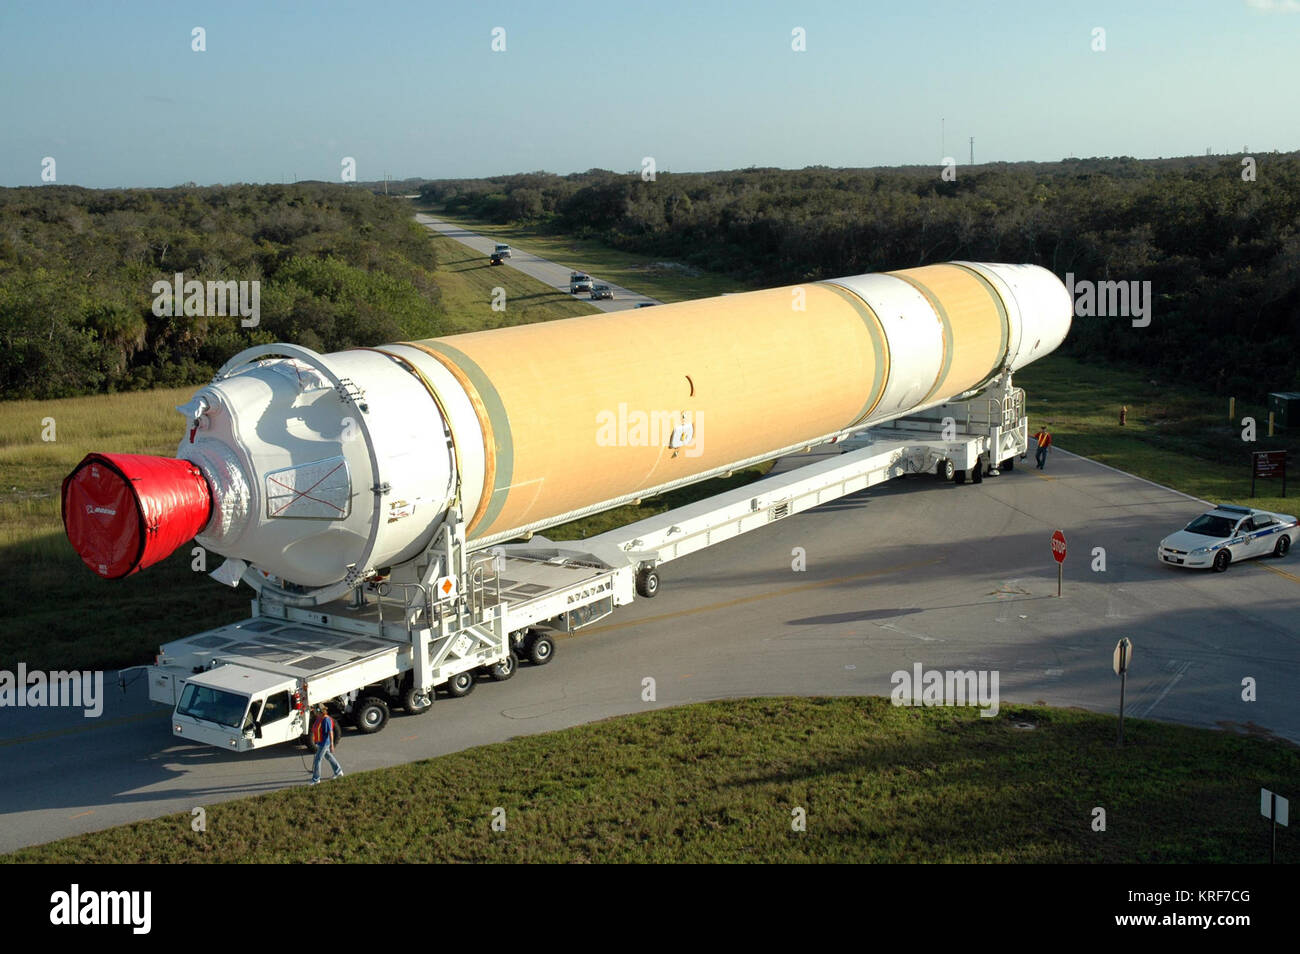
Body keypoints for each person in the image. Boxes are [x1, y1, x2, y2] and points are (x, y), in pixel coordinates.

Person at [309, 704, 344, 784]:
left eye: (315, 710)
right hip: (320, 742)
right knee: (328, 756)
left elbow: (330, 732)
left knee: (318, 759)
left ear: (319, 711)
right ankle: (338, 771)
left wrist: (332, 745)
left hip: (324, 743)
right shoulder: (319, 718)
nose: (314, 712)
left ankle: (316, 779)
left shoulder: (326, 719)